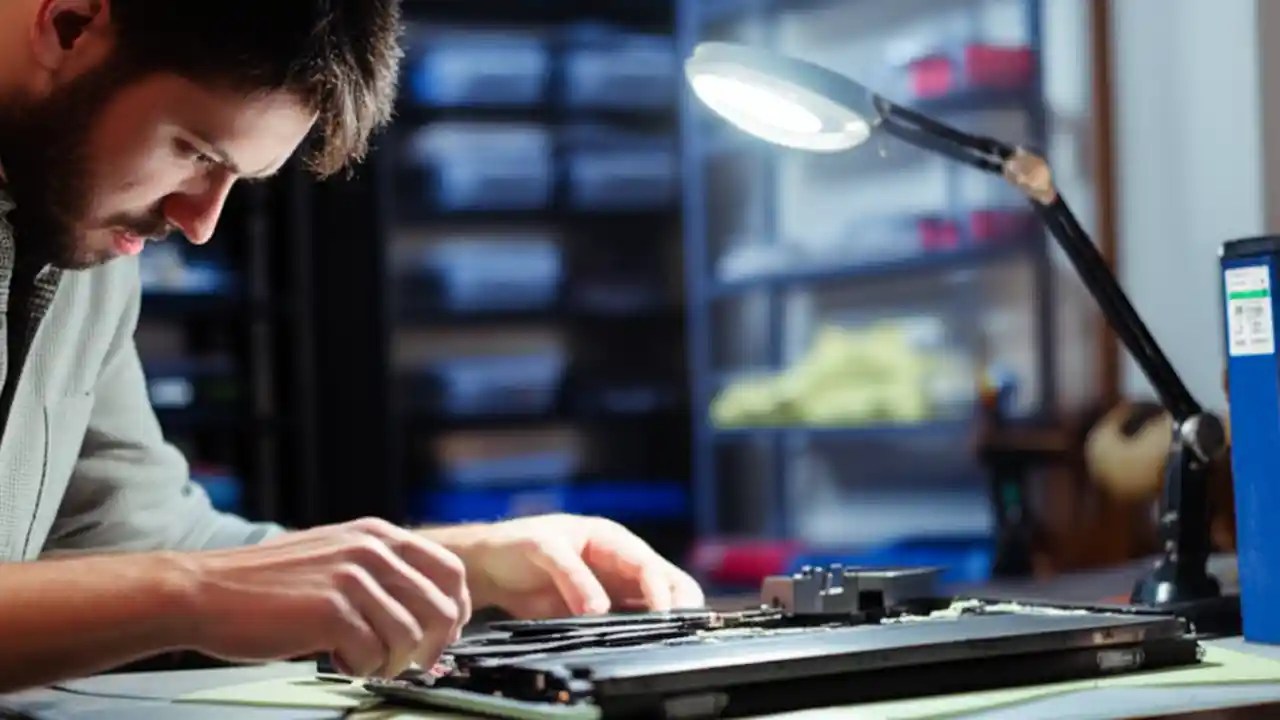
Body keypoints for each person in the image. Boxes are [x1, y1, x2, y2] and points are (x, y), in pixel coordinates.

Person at [0, 0, 704, 692]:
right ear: (69, 24)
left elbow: (127, 543)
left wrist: (463, 565)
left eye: (235, 179)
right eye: (194, 152)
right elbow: (182, 586)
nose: (200, 223)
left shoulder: (79, 234)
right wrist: (194, 592)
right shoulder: (87, 211)